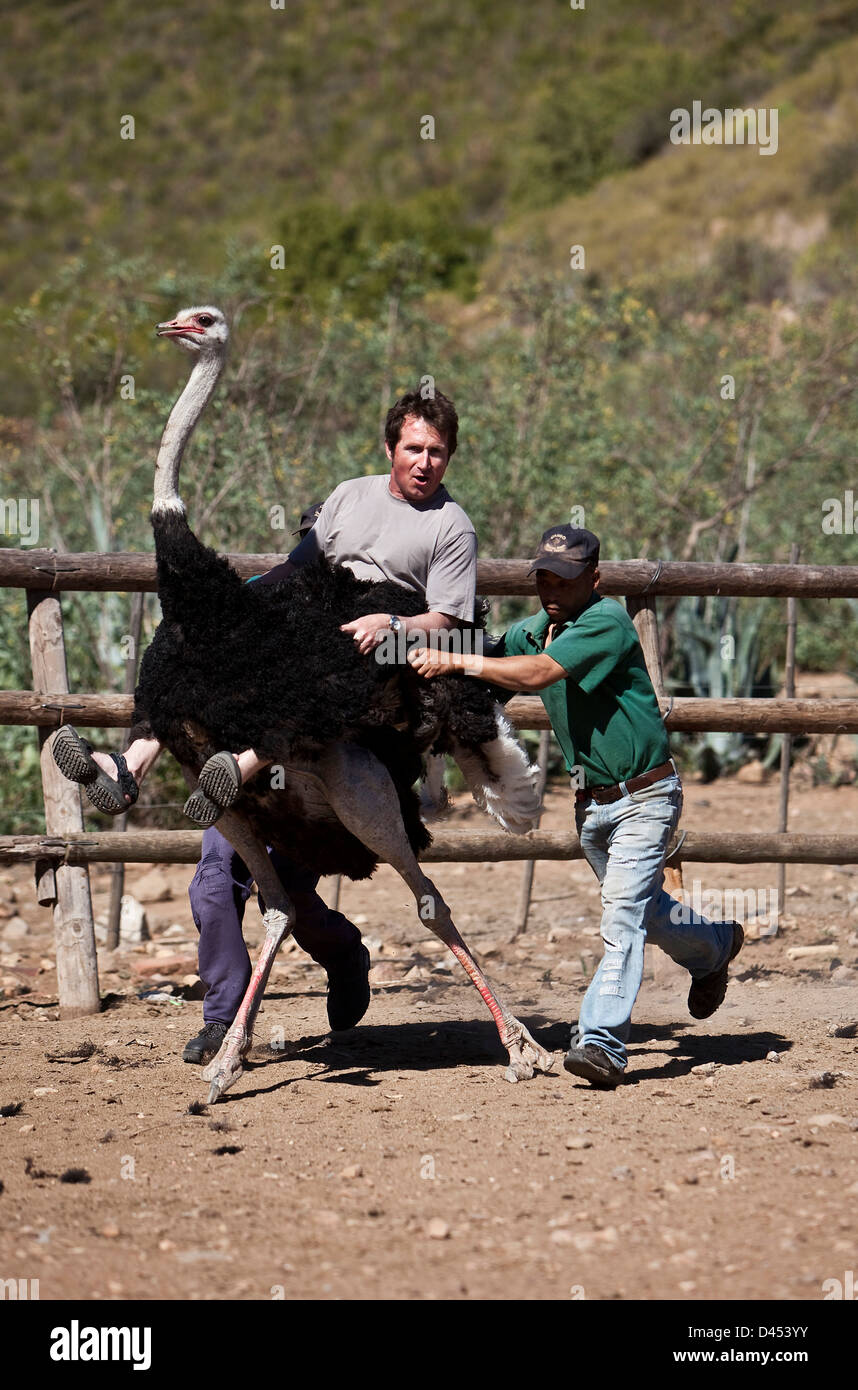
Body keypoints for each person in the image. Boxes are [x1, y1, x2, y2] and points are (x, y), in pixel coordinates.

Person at [53, 389, 478, 1063]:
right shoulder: (350, 497)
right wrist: (238, 609)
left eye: (437, 452)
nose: (425, 462)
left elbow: (451, 624)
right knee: (217, 874)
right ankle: (131, 773)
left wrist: (393, 624)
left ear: (450, 456)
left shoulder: (450, 527)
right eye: (414, 449)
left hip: (362, 688)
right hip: (309, 650)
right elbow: (298, 569)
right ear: (390, 449)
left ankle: (345, 958)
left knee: (294, 892)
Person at [408, 524, 743, 1089]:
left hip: (645, 797)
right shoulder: (540, 628)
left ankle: (601, 1043)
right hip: (593, 808)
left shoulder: (604, 622)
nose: (551, 588)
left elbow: (536, 674)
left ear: (594, 577)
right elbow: (493, 653)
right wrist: (408, 637)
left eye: (563, 578)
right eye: (542, 577)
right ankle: (713, 946)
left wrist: (455, 664)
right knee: (642, 910)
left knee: (621, 917)